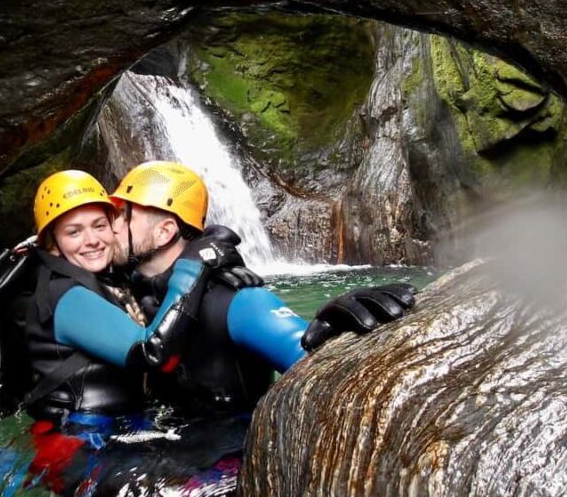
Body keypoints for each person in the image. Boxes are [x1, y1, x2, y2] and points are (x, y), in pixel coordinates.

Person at [109, 161, 416, 414]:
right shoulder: (135, 292)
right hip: (176, 452)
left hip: (231, 465)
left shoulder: (237, 301)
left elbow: (308, 354)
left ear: (164, 233)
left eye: (122, 215)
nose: (111, 226)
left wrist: (332, 332)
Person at [22, 169, 244, 420]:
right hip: (82, 443)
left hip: (115, 429)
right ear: (53, 244)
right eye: (74, 232)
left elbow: (153, 278)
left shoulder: (109, 279)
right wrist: (196, 264)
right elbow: (152, 351)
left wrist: (218, 272)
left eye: (100, 225)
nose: (92, 240)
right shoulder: (66, 295)